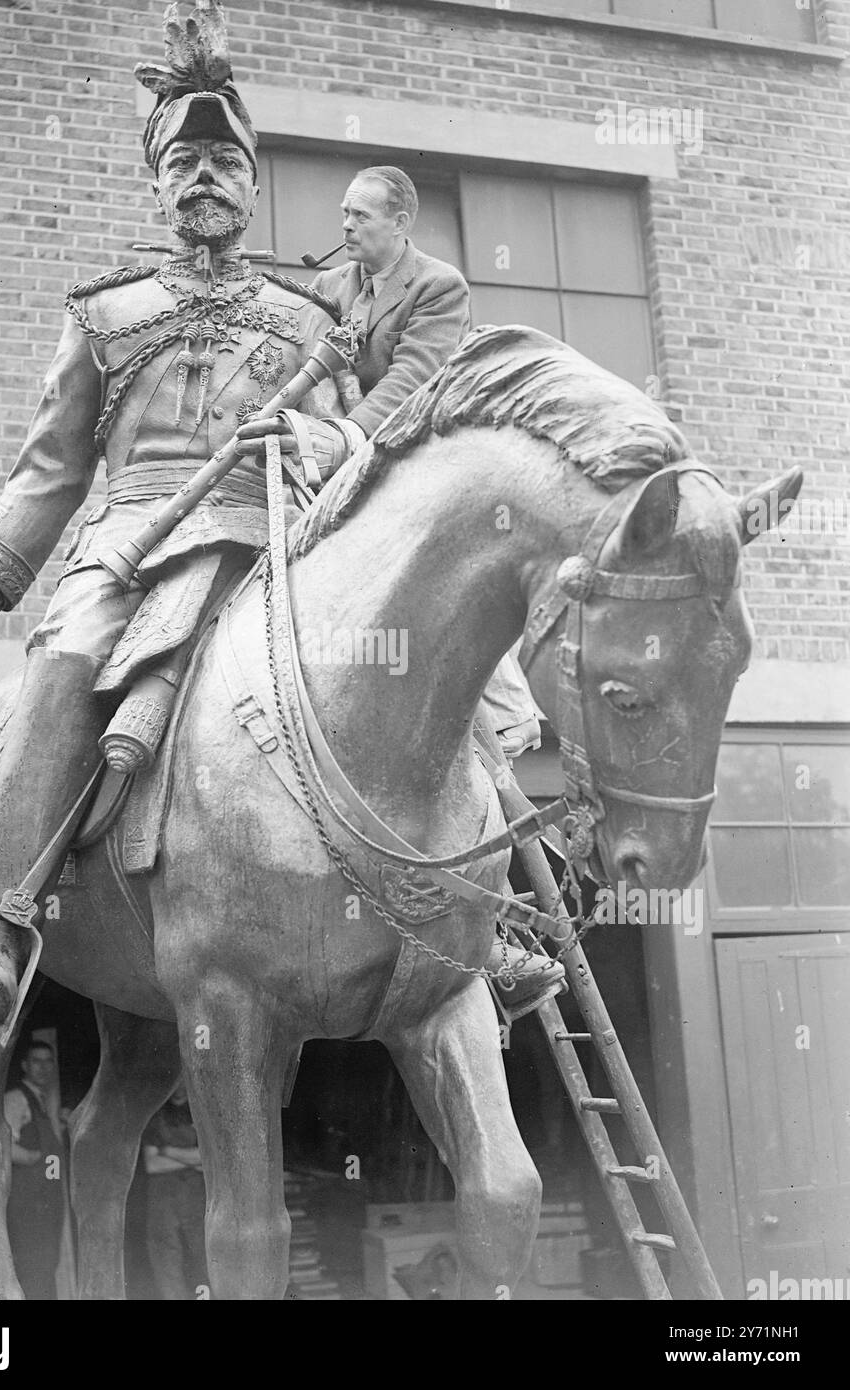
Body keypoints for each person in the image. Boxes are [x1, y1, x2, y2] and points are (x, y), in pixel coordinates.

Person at [0, 2, 363, 1037]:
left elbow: (348, 444)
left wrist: (318, 446)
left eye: (223, 160)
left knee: (407, 649)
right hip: (133, 541)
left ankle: (497, 907)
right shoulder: (103, 315)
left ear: (251, 184)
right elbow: (50, 470)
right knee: (63, 663)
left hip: (271, 539)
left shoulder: (306, 322)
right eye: (182, 160)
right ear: (156, 182)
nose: (204, 176)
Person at [313, 167, 562, 1011]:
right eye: (342, 212)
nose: (344, 223)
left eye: (358, 214)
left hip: (421, 481)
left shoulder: (439, 289)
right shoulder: (333, 284)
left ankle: (512, 929)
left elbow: (413, 382)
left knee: (465, 702)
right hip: (349, 482)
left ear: (401, 222)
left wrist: (338, 431)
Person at [3, 1038, 70, 1300]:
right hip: (29, 1200)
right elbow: (4, 1146)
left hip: (47, 1199)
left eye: (48, 1061)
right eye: (36, 1061)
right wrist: (32, 1157)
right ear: (24, 1065)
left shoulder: (42, 1101)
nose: (43, 1067)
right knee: (34, 1267)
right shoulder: (16, 1098)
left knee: (47, 1264)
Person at [142, 1085, 208, 1300]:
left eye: (184, 1082)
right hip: (162, 1199)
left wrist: (167, 1150)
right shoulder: (155, 1116)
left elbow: (207, 1160)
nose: (179, 1089)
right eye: (174, 1083)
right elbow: (152, 1164)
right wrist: (192, 1160)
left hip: (195, 1197)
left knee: (203, 1256)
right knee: (166, 1260)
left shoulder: (202, 1113)